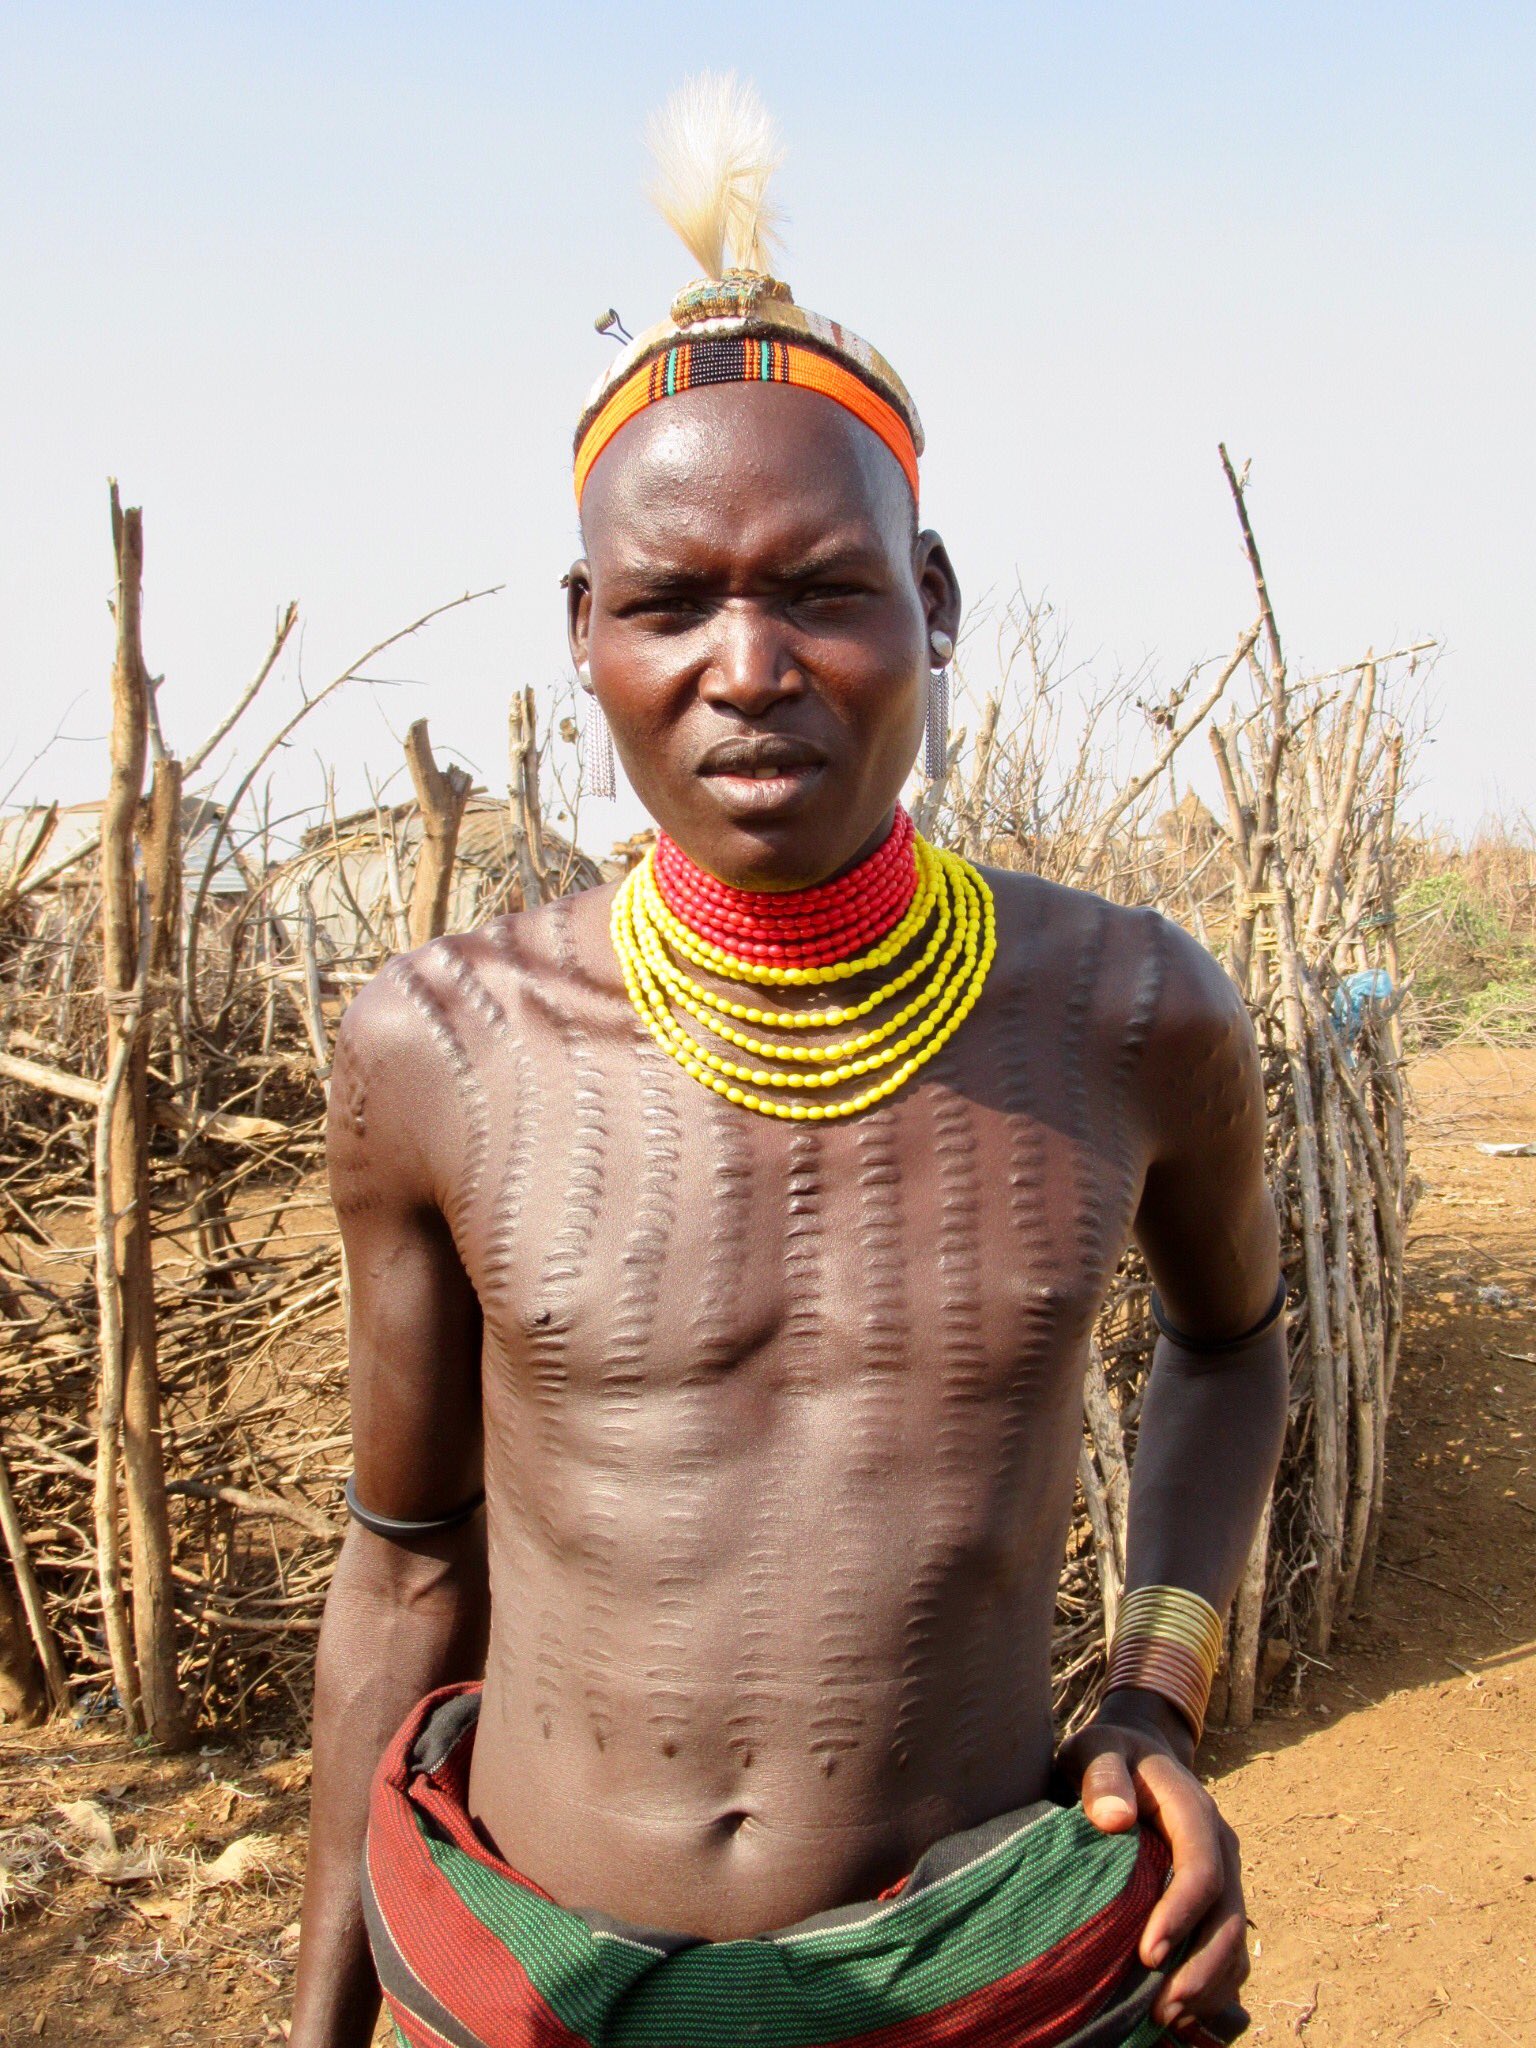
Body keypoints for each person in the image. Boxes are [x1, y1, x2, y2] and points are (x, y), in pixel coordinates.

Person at [290, 75, 1287, 2048]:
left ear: (926, 602)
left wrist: (1155, 1689)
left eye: (821, 588)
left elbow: (1235, 1341)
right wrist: (314, 2015)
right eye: (672, 601)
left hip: (977, 1971)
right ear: (587, 640)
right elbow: (404, 1560)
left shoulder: (1130, 1014)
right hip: (542, 1978)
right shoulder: (445, 1049)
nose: (749, 664)